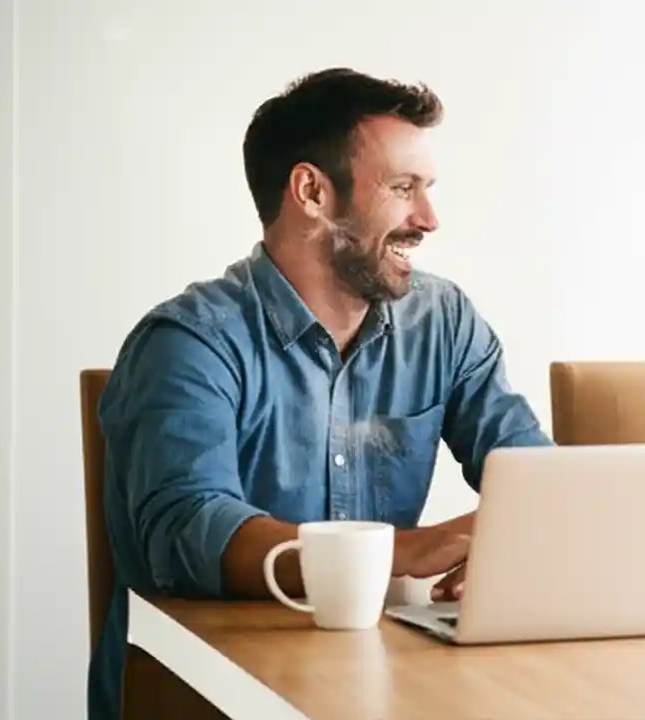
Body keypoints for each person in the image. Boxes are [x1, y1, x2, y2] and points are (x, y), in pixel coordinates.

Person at [88, 68, 551, 718]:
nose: (429, 218)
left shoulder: (441, 320)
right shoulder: (188, 342)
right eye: (402, 188)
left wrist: (517, 540)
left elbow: (533, 473)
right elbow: (189, 532)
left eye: (428, 189)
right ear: (311, 190)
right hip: (199, 694)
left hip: (372, 683)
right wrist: (402, 550)